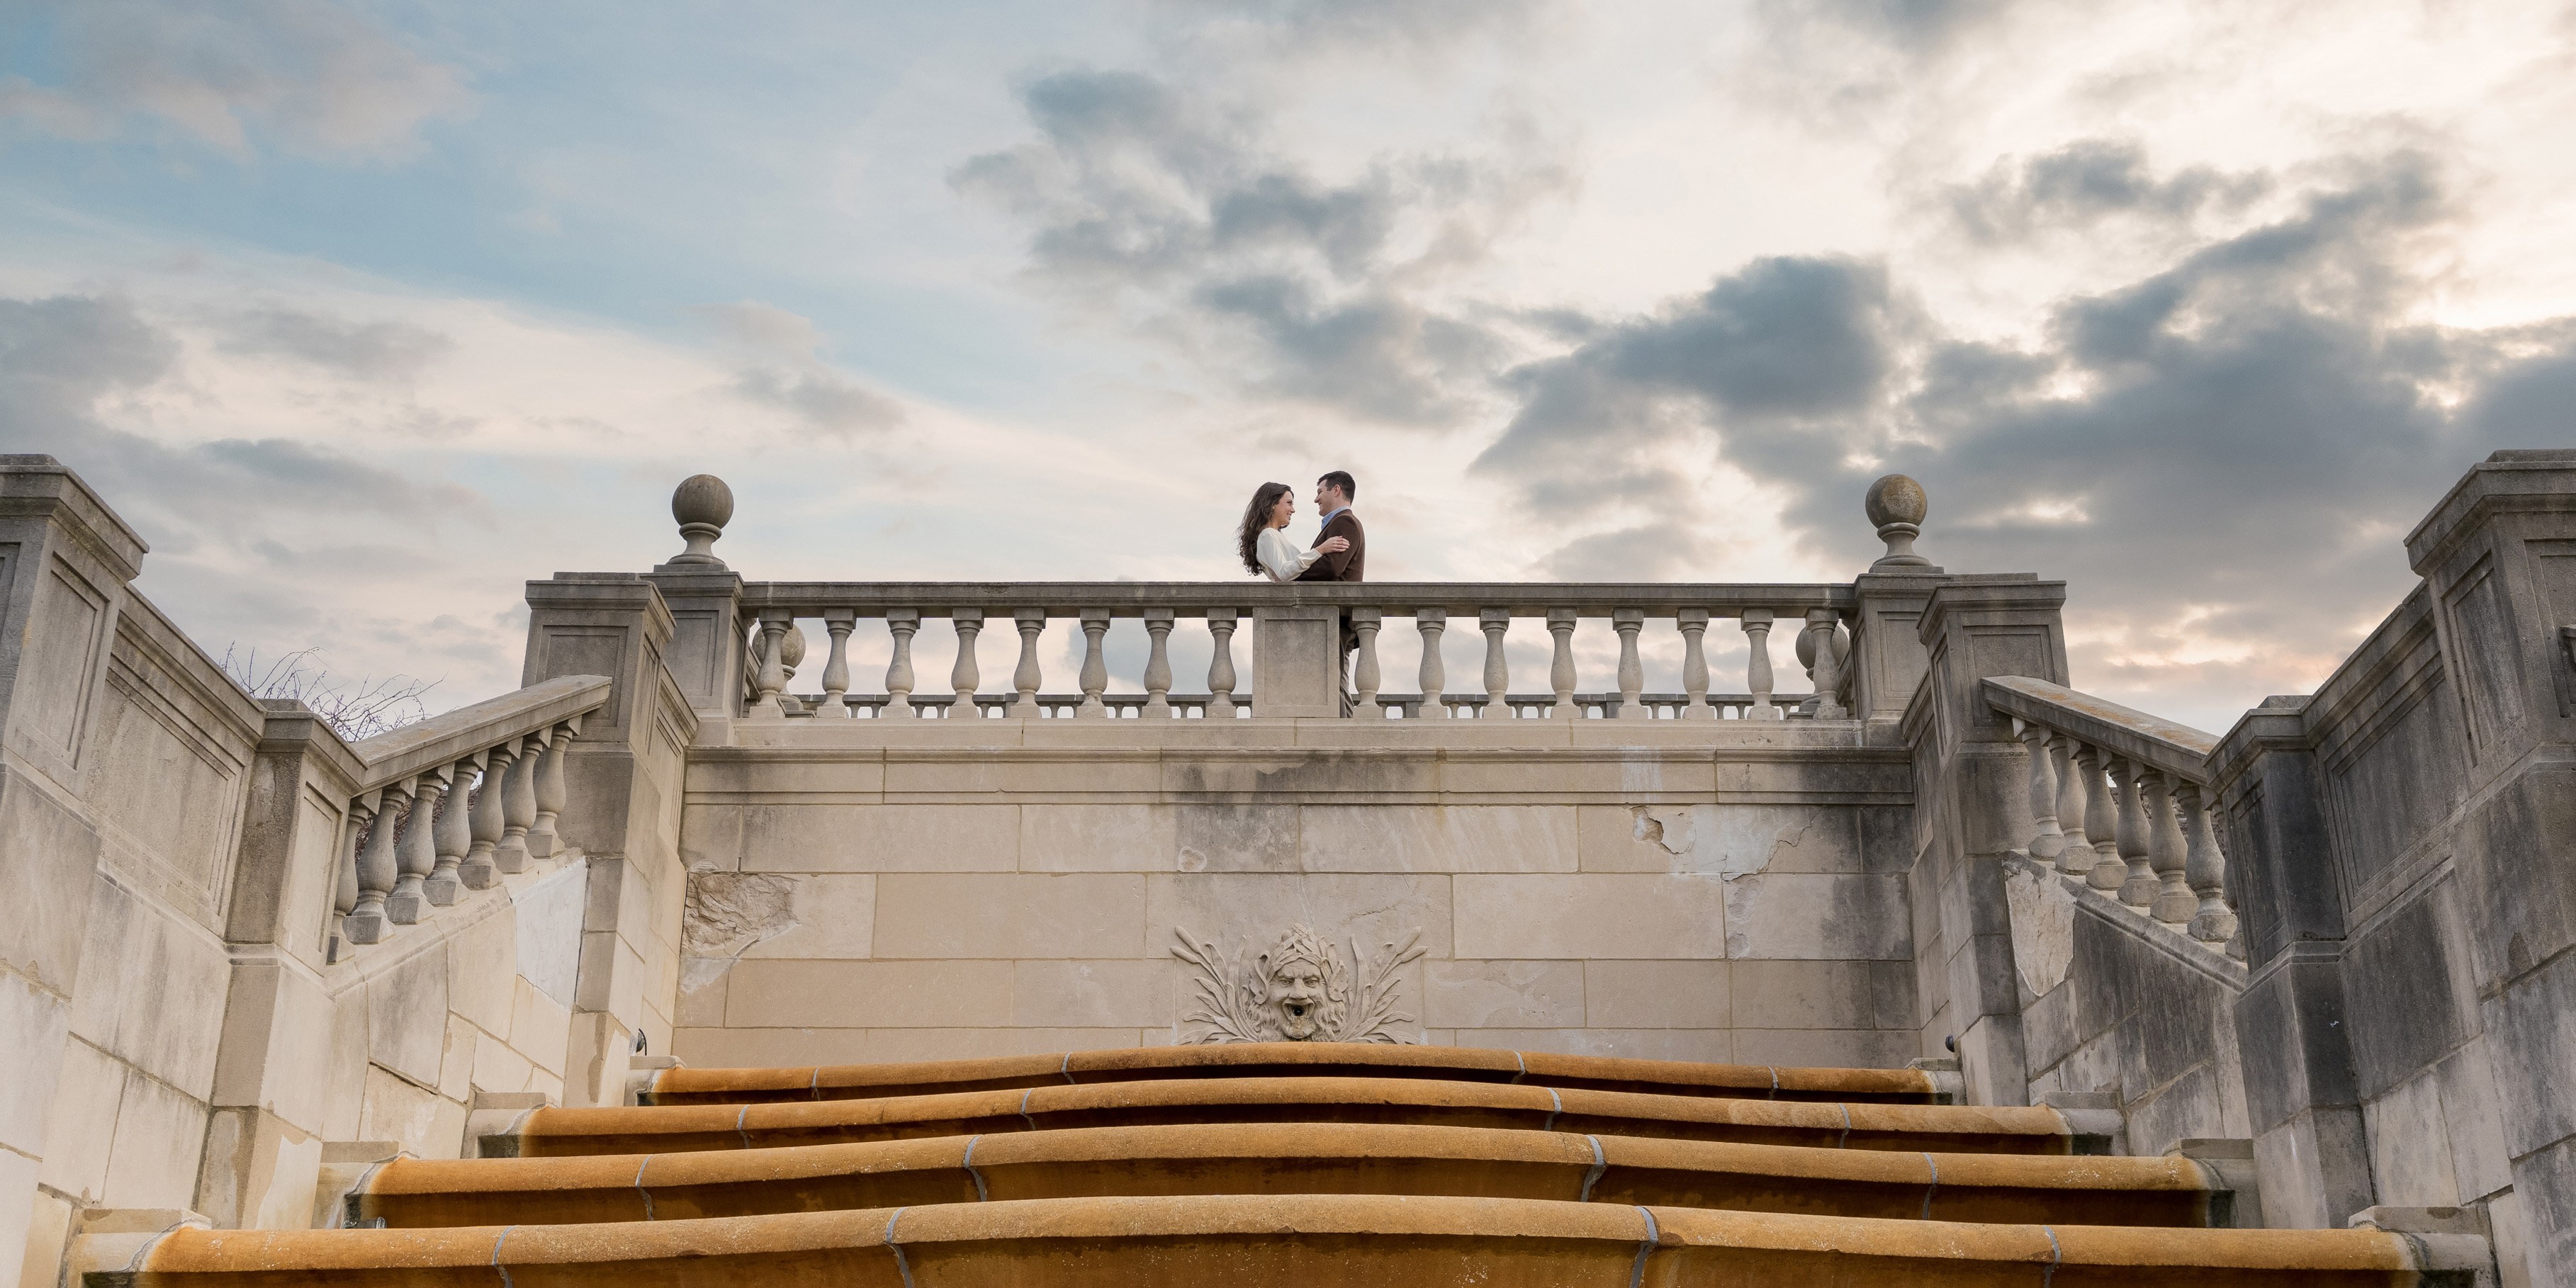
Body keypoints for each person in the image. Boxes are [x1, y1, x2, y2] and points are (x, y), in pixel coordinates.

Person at [1237, 482, 1351, 582]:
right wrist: (1321, 549)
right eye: (1289, 503)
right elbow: (1284, 573)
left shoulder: (1273, 535)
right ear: (1272, 505)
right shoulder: (1268, 535)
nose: (1293, 509)